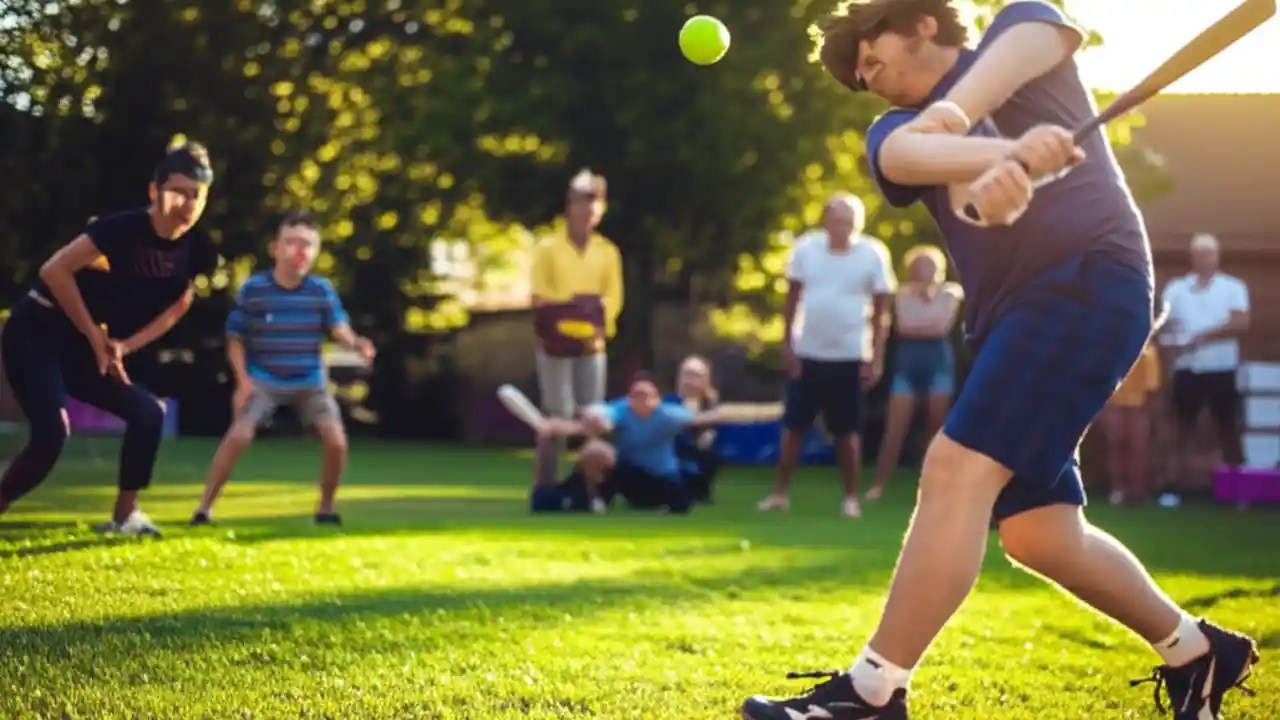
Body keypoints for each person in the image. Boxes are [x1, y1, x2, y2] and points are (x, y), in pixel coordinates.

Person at [740, 2, 1259, 719]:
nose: (867, 74)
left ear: (921, 22)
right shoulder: (892, 127)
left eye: (866, 50)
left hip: (1086, 280)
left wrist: (968, 127)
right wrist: (1001, 155)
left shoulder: (1021, 35)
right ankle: (1198, 652)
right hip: (1009, 320)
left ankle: (874, 690)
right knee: (1038, 534)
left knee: (955, 469)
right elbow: (907, 155)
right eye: (857, 75)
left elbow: (1036, 36)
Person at [0, 142, 217, 536]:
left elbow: (179, 304)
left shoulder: (196, 249)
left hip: (85, 344)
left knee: (148, 413)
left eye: (195, 195)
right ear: (155, 191)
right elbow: (54, 271)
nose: (187, 203)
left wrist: (123, 346)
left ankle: (124, 517)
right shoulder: (122, 228)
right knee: (52, 434)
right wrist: (94, 335)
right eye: (178, 192)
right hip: (36, 331)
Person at [190, 212, 375, 527]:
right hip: (263, 380)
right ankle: (204, 509)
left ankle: (325, 510)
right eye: (292, 243)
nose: (300, 251)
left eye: (308, 245)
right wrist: (243, 382)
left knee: (336, 441)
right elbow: (235, 337)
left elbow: (338, 327)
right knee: (239, 436)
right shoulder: (255, 289)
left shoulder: (321, 290)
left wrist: (356, 343)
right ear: (275, 248)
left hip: (309, 382)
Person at [757, 193, 895, 519]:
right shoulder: (806, 249)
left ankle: (850, 498)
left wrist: (876, 356)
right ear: (825, 221)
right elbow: (791, 299)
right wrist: (787, 344)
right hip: (808, 352)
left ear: (857, 224)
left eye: (848, 221)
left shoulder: (873, 254)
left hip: (850, 354)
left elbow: (881, 312)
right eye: (836, 220)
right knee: (793, 426)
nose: (841, 227)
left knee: (847, 430)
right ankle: (779, 494)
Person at [530, 168, 624, 473]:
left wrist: (594, 325)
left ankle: (588, 484)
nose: (588, 211)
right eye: (582, 203)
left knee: (592, 416)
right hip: (555, 344)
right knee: (557, 414)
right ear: (570, 205)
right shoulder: (548, 248)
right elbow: (540, 296)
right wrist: (567, 317)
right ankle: (546, 484)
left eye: (594, 205)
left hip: (591, 345)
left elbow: (613, 298)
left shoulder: (608, 252)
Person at [531, 373, 719, 515]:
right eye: (636, 395)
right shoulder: (623, 409)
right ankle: (582, 499)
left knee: (680, 499)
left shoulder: (668, 415)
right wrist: (591, 420)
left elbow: (698, 419)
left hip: (661, 478)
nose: (641, 400)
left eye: (646, 396)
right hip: (628, 473)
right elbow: (602, 415)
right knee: (595, 453)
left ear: (656, 399)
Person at [868, 244, 961, 501]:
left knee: (936, 427)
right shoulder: (901, 294)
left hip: (938, 366)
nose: (925, 271)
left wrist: (921, 324)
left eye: (930, 266)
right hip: (907, 366)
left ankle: (933, 487)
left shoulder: (951, 293)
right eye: (920, 266)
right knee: (895, 427)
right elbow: (903, 326)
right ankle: (878, 484)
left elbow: (941, 327)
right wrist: (925, 323)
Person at [1158, 232, 1250, 492]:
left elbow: (1241, 322)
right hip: (1186, 367)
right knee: (1180, 427)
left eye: (1210, 253)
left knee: (1228, 426)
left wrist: (1201, 337)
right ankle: (1175, 487)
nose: (1205, 258)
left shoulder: (1233, 287)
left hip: (1222, 367)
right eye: (1200, 254)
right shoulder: (1176, 288)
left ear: (1217, 256)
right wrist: (1172, 340)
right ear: (1193, 257)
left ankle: (1237, 486)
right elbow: (1163, 322)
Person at [1101, 339, 1161, 506]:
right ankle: (1118, 489)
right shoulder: (1109, 350)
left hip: (1138, 406)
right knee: (1116, 446)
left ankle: (1137, 491)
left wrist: (1149, 411)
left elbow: (1152, 387)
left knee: (1138, 447)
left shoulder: (1148, 351)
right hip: (1113, 403)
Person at [668, 355, 721, 504]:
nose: (690, 380)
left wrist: (710, 434)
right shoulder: (669, 403)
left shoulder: (711, 406)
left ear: (706, 380)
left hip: (702, 456)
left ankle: (701, 489)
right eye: (687, 374)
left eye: (696, 375)